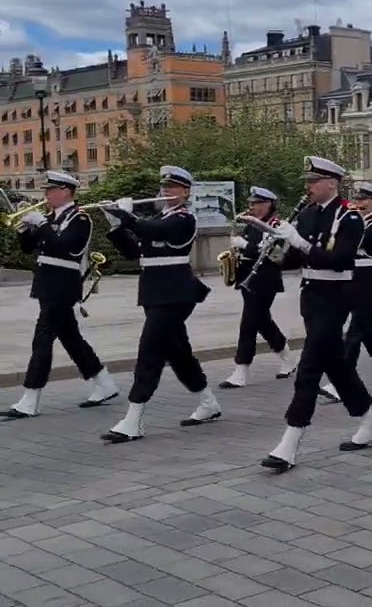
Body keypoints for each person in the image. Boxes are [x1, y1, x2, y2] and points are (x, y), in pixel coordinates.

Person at [260, 156, 372, 470]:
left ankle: (289, 443)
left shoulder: (350, 216)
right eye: (307, 181)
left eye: (313, 181)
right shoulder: (308, 213)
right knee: (337, 366)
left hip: (336, 296)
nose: (308, 187)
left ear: (332, 182)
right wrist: (276, 247)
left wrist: (299, 242)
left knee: (309, 368)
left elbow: (340, 259)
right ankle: (371, 424)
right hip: (312, 296)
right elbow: (295, 260)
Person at [100, 166, 221, 442]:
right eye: (164, 186)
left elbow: (152, 229)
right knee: (178, 352)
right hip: (155, 293)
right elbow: (134, 251)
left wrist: (127, 216)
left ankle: (133, 418)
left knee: (150, 351)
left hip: (176, 294)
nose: (166, 191)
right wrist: (116, 225)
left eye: (174, 187)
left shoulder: (184, 219)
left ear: (186, 192)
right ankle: (208, 402)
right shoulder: (160, 216)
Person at [5, 172, 116, 418]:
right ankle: (104, 382)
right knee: (70, 338)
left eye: (50, 190)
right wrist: (25, 229)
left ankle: (30, 398)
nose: (45, 194)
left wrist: (42, 225)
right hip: (47, 284)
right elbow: (28, 249)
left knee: (42, 339)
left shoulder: (80, 218)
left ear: (66, 191)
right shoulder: (50, 216)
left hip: (63, 286)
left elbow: (65, 247)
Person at [320, 181, 372, 400]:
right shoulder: (355, 222)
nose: (359, 203)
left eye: (364, 199)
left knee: (354, 334)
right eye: (357, 199)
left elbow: (356, 243)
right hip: (353, 281)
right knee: (368, 332)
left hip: (371, 283)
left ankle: (341, 383)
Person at [221, 186, 296, 389]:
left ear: (268, 204)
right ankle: (287, 358)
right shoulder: (251, 223)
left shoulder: (276, 225)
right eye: (250, 204)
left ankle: (241, 370)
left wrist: (245, 246)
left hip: (265, 279)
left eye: (255, 203)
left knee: (249, 323)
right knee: (262, 322)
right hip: (247, 277)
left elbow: (275, 253)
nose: (251, 207)